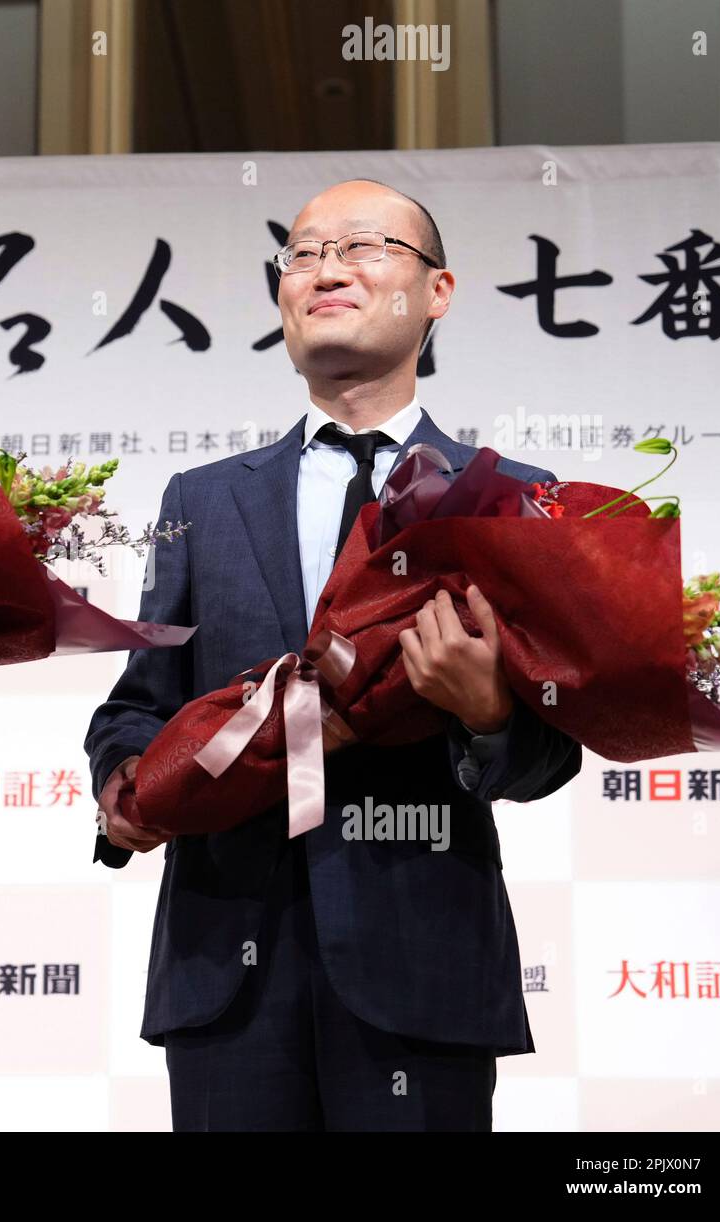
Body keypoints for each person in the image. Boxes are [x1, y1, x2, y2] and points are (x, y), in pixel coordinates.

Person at [85, 178, 581, 1132]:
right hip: (225, 969)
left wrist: (488, 713)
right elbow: (136, 708)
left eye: (362, 248)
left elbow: (555, 748)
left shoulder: (510, 501)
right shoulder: (204, 497)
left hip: (423, 971)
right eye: (304, 254)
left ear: (437, 291)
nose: (326, 270)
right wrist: (126, 790)